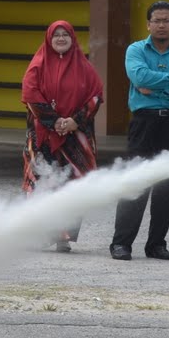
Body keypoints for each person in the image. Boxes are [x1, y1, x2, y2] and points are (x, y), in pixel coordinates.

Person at [109, 1, 169, 261]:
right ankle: (121, 243)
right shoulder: (135, 50)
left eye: (166, 20)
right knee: (136, 181)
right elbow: (140, 79)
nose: (161, 25)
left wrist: (156, 85)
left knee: (167, 185)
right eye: (156, 20)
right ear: (148, 24)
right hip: (144, 122)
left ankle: (156, 244)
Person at [20, 20, 103, 251]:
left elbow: (96, 96)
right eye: (56, 35)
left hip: (76, 136)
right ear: (48, 38)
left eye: (65, 35)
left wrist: (74, 121)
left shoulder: (84, 66)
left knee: (72, 184)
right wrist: (55, 121)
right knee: (41, 183)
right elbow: (30, 94)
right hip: (42, 136)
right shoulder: (37, 65)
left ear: (72, 38)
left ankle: (63, 236)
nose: (60, 39)